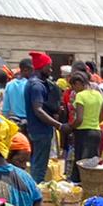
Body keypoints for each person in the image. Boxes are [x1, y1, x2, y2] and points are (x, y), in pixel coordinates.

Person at [24, 52, 64, 183]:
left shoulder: (33, 83)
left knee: (36, 162)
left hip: (36, 129)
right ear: (42, 66)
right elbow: (38, 110)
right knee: (39, 166)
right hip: (41, 130)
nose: (51, 70)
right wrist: (58, 125)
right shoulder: (37, 86)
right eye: (49, 66)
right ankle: (36, 191)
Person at [67, 71, 103, 179]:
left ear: (78, 83)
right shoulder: (98, 95)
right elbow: (102, 117)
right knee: (93, 163)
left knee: (81, 164)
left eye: (73, 86)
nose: (73, 90)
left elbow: (79, 119)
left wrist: (70, 127)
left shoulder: (80, 96)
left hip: (83, 133)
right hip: (96, 132)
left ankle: (79, 187)